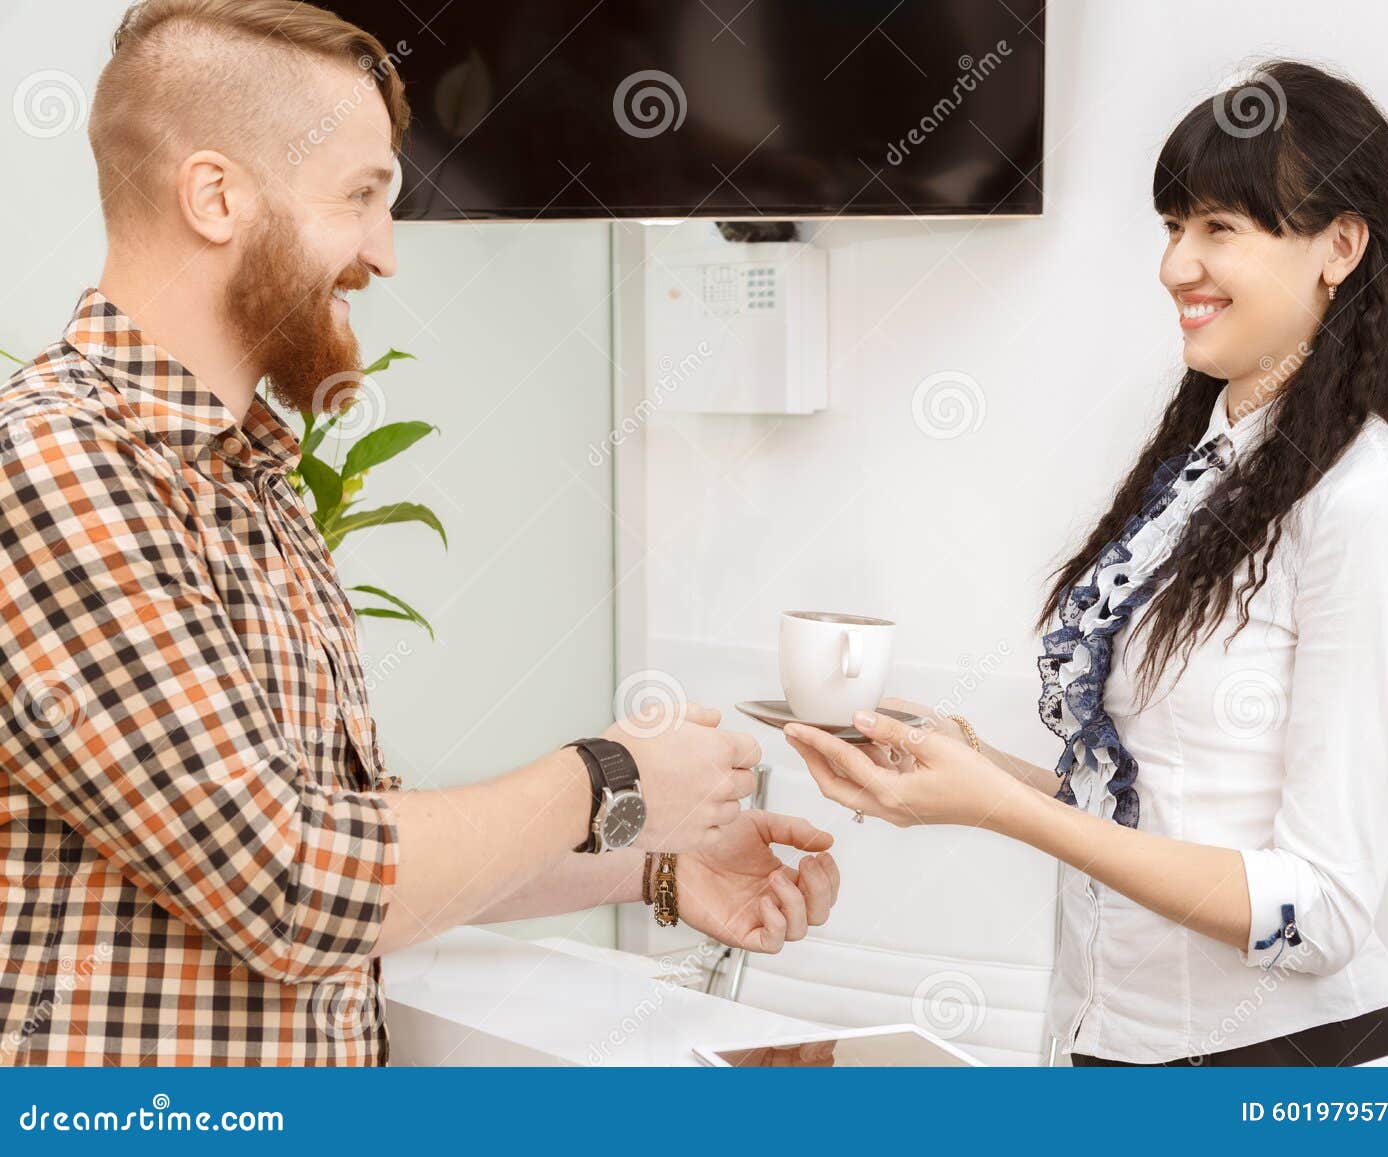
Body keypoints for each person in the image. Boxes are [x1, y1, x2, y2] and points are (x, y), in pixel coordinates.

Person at [0, 0, 837, 1067]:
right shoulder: (58, 467)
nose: (384, 255)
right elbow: (289, 881)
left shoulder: (247, 474)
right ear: (216, 195)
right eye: (360, 197)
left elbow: (353, 839)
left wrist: (653, 866)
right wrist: (604, 773)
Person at [785, 60, 1388, 1067]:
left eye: (1218, 229)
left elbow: (1316, 914)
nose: (1175, 266)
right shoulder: (1206, 472)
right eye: (1171, 227)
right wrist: (981, 773)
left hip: (1275, 1061)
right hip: (1110, 1041)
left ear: (1340, 244)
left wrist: (1004, 808)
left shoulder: (1368, 509)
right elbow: (1155, 797)